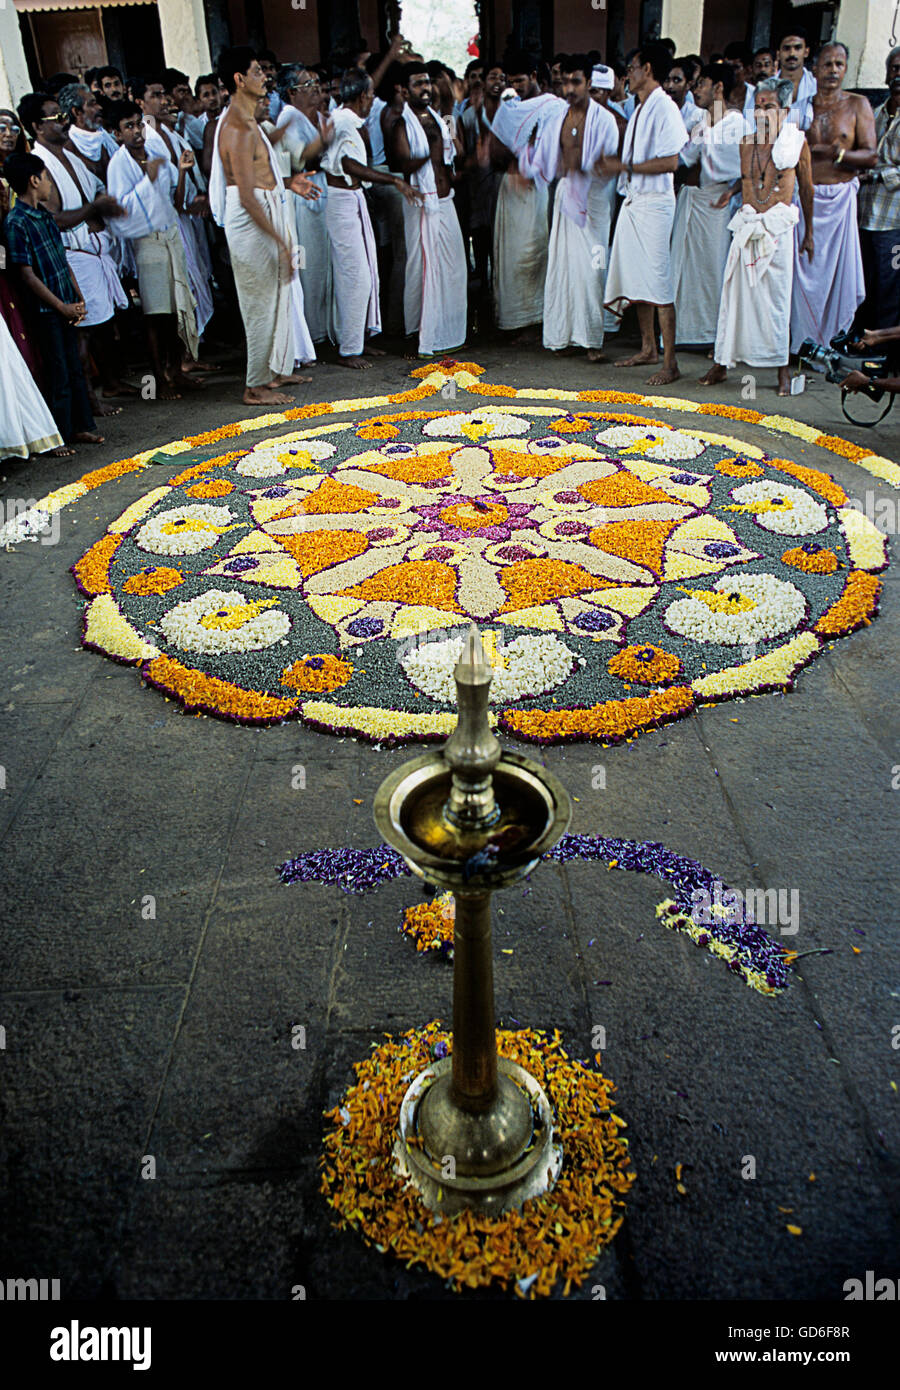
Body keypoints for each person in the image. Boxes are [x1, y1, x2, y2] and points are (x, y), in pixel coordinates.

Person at [210, 47, 318, 405]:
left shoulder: (248, 120)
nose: (264, 77)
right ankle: (254, 386)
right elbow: (245, 194)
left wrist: (289, 183)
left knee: (278, 295)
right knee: (259, 302)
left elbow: (260, 161)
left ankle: (274, 370)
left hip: (265, 209)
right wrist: (280, 241)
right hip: (251, 218)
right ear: (239, 80)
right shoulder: (236, 125)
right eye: (257, 72)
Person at [700, 79, 814, 397]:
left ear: (786, 111)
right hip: (747, 224)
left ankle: (781, 370)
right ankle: (723, 363)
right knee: (733, 297)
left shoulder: (795, 142)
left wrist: (810, 235)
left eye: (770, 107)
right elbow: (748, 176)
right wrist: (732, 192)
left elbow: (807, 188)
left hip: (777, 229)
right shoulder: (746, 142)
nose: (763, 113)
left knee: (777, 302)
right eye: (759, 107)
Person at [23, 92, 130, 413]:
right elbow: (53, 219)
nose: (63, 121)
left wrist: (104, 202)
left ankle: (111, 383)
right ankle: (90, 400)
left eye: (61, 115)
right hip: (73, 257)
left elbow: (95, 188)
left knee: (105, 327)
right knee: (82, 332)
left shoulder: (68, 155)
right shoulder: (40, 163)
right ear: (36, 127)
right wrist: (94, 209)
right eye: (54, 118)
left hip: (96, 253)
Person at [321, 67, 421, 367]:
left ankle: (360, 340)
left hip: (351, 199)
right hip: (340, 201)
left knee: (367, 273)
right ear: (364, 96)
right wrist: (392, 181)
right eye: (370, 94)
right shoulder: (344, 122)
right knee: (356, 276)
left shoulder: (347, 120)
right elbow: (350, 165)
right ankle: (349, 349)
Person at [4, 152, 102, 454]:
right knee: (57, 368)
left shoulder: (45, 215)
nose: (49, 183)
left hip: (65, 302)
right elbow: (27, 275)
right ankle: (58, 433)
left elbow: (62, 260)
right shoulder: (17, 222)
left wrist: (77, 297)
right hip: (46, 310)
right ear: (34, 181)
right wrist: (60, 305)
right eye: (45, 177)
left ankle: (81, 426)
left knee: (74, 365)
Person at [601, 43, 687, 384]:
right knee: (638, 277)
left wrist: (626, 165)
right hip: (636, 200)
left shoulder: (664, 107)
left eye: (631, 67)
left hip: (655, 203)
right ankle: (648, 347)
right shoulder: (639, 108)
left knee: (659, 281)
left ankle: (670, 363)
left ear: (647, 69)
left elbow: (672, 161)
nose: (628, 74)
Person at [106, 99, 199, 399]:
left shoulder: (156, 152)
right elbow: (122, 210)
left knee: (174, 309)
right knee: (154, 315)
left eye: (138, 124)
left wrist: (182, 171)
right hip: (146, 243)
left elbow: (177, 201)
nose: (137, 132)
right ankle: (157, 380)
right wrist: (150, 180)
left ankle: (176, 371)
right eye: (128, 127)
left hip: (170, 236)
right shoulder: (118, 165)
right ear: (117, 134)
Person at [524, 55, 616, 359]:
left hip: (594, 201)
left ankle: (591, 341)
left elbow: (610, 164)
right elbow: (545, 158)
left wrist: (585, 172)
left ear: (589, 83)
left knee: (591, 270)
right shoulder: (558, 117)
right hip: (565, 197)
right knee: (563, 266)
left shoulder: (605, 120)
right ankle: (561, 336)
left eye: (576, 81)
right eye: (566, 82)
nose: (570, 88)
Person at [789, 43, 876, 355]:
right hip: (803, 201)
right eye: (827, 64)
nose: (834, 71)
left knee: (837, 280)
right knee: (800, 274)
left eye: (840, 64)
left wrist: (836, 153)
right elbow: (781, 151)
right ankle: (800, 344)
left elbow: (871, 155)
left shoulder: (858, 105)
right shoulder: (800, 107)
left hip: (840, 202)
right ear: (815, 69)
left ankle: (829, 344)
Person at [389, 62, 467, 357]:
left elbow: (456, 151)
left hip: (445, 202)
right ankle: (419, 335)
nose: (425, 88)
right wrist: (428, 156)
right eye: (418, 83)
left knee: (454, 269)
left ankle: (448, 334)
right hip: (422, 204)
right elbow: (401, 164)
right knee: (422, 270)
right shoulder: (401, 123)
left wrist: (448, 108)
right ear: (404, 90)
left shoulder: (438, 117)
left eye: (426, 82)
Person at [670, 64, 746, 346]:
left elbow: (748, 167)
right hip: (692, 199)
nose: (695, 89)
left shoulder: (737, 123)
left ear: (719, 88)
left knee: (713, 269)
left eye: (702, 83)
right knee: (685, 268)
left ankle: (714, 336)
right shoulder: (702, 124)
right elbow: (685, 159)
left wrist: (733, 190)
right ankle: (684, 333)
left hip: (717, 203)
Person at [489, 50, 557, 337]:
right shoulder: (508, 108)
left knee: (535, 251)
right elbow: (494, 150)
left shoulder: (552, 107)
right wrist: (516, 154)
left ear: (534, 77)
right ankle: (513, 321)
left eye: (520, 81)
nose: (515, 87)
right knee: (511, 255)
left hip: (537, 188)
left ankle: (537, 320)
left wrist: (528, 158)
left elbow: (551, 148)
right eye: (511, 82)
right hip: (510, 187)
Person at [275, 66, 333, 345]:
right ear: (291, 93)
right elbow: (301, 160)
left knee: (322, 265)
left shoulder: (306, 118)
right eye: (308, 83)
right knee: (310, 267)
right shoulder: (288, 117)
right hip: (303, 199)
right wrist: (324, 141)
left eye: (316, 81)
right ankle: (313, 333)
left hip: (318, 196)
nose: (315, 87)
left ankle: (322, 329)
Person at [857, 47, 900, 331]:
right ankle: (862, 344)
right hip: (863, 215)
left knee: (891, 288)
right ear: (886, 74)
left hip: (893, 220)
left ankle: (884, 352)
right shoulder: (874, 113)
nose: (898, 74)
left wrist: (873, 175)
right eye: (894, 68)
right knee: (863, 284)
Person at [57, 83, 118, 178]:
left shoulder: (104, 137)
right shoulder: (68, 150)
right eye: (92, 104)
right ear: (77, 112)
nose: (99, 107)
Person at [776, 29, 816, 129]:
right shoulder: (764, 88)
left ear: (806, 52)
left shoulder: (816, 87)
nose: (792, 54)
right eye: (786, 48)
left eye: (797, 48)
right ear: (778, 54)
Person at [723, 42, 756, 121]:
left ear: (748, 70)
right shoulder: (716, 93)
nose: (729, 72)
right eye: (726, 67)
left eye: (735, 67)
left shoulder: (756, 96)